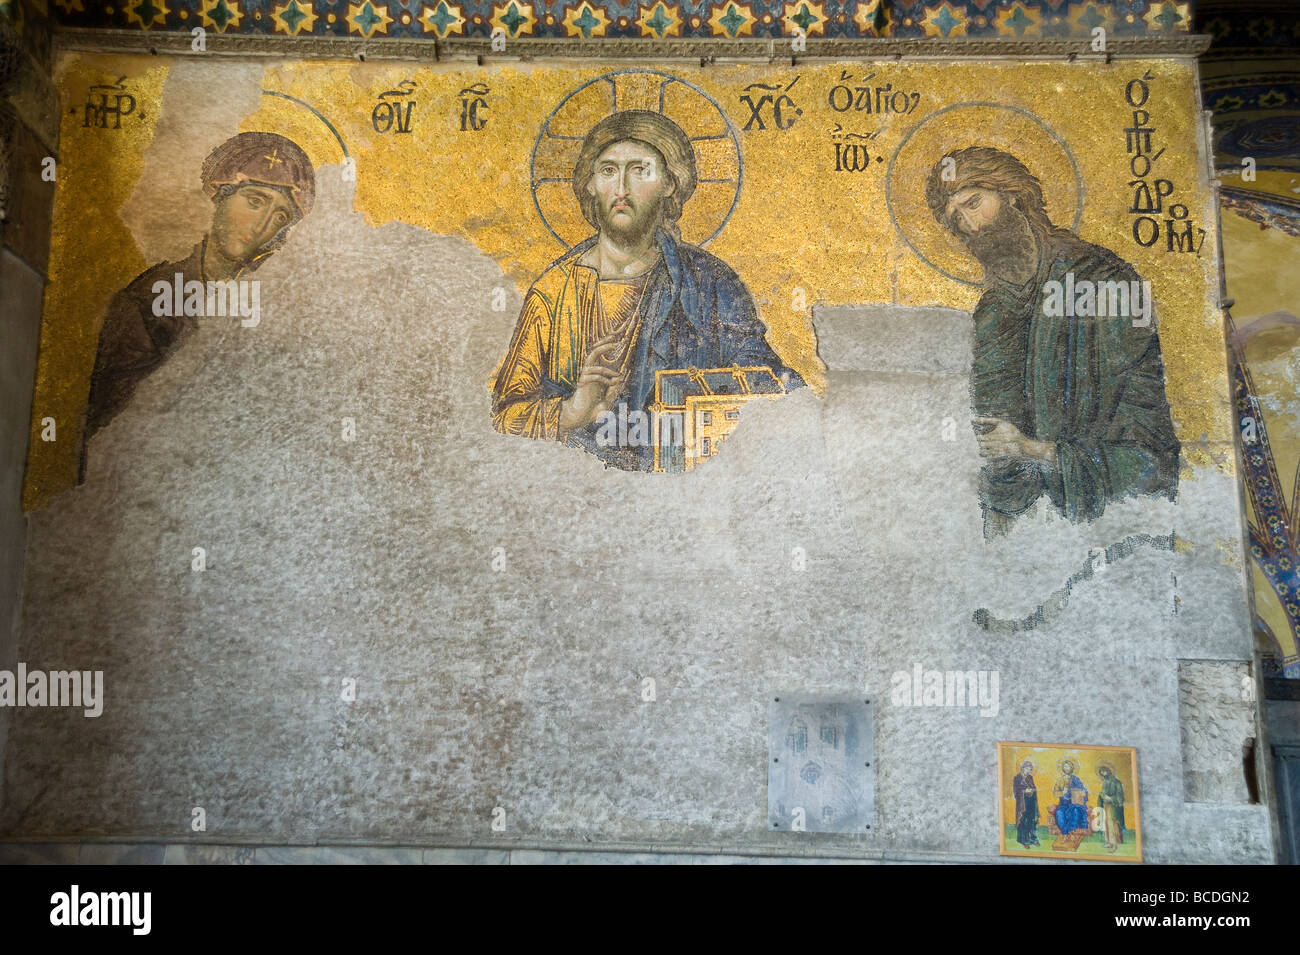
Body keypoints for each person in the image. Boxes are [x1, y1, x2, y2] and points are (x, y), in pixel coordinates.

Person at [490, 109, 802, 471]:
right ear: (589, 184)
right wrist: (573, 412)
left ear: (670, 183)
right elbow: (502, 417)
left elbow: (772, 388)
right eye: (608, 171)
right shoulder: (553, 293)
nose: (621, 189)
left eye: (640, 170)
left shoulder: (710, 283)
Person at [923, 146, 1180, 534]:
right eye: (956, 219)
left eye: (973, 203)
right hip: (1030, 527)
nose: (971, 226)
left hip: (1113, 524)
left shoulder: (1101, 280)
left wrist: (1034, 452)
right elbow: (993, 428)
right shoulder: (993, 312)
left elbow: (1150, 457)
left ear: (1012, 194)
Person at [81, 131, 315, 480]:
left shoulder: (271, 303)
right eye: (254, 201)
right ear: (221, 196)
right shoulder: (151, 298)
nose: (262, 224)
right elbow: (107, 424)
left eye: (280, 217)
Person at [1052, 758, 1089, 838]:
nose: (1066, 768)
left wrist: (1083, 793)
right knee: (1059, 814)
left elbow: (1082, 790)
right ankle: (1065, 833)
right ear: (1062, 768)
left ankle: (1071, 832)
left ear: (1071, 768)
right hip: (1063, 804)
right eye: (1065, 766)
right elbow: (1055, 793)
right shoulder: (1059, 780)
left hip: (1074, 804)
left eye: (1068, 767)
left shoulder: (1076, 779)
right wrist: (1063, 793)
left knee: (1075, 812)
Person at [1097, 762, 1126, 851]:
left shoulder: (1117, 782)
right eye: (1102, 773)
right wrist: (1102, 796)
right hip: (1106, 806)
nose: (1104, 774)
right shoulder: (1105, 782)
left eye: (1105, 772)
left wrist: (1110, 798)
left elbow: (1120, 797)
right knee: (1106, 824)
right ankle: (1109, 842)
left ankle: (1114, 845)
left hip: (1114, 807)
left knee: (1112, 825)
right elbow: (1102, 793)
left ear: (1109, 771)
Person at [1012, 760, 1040, 848]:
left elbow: (1034, 787)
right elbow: (1016, 791)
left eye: (1030, 769)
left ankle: (1033, 839)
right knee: (1024, 821)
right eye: (1027, 768)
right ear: (1022, 768)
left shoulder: (1030, 778)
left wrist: (1032, 790)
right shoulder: (1017, 778)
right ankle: (1024, 840)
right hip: (1022, 803)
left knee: (1032, 821)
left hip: (1031, 802)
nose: (1028, 770)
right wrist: (1024, 791)